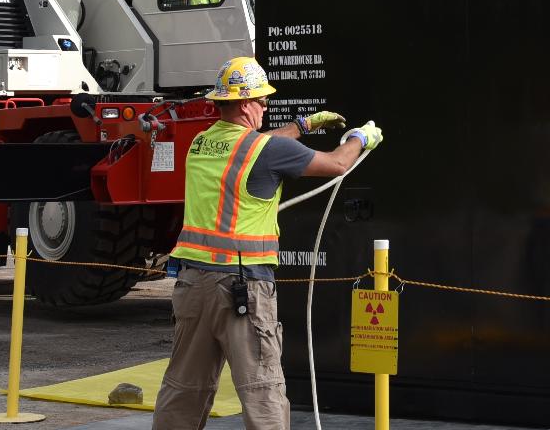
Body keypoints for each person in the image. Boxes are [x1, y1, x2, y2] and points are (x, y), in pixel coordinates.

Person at [151, 56, 382, 430]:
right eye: (261, 102)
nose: (264, 108)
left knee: (184, 389)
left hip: (192, 287)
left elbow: (254, 145)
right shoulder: (266, 151)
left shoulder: (202, 144)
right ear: (245, 104)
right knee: (263, 392)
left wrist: (301, 126)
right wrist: (360, 139)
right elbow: (337, 164)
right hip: (241, 288)